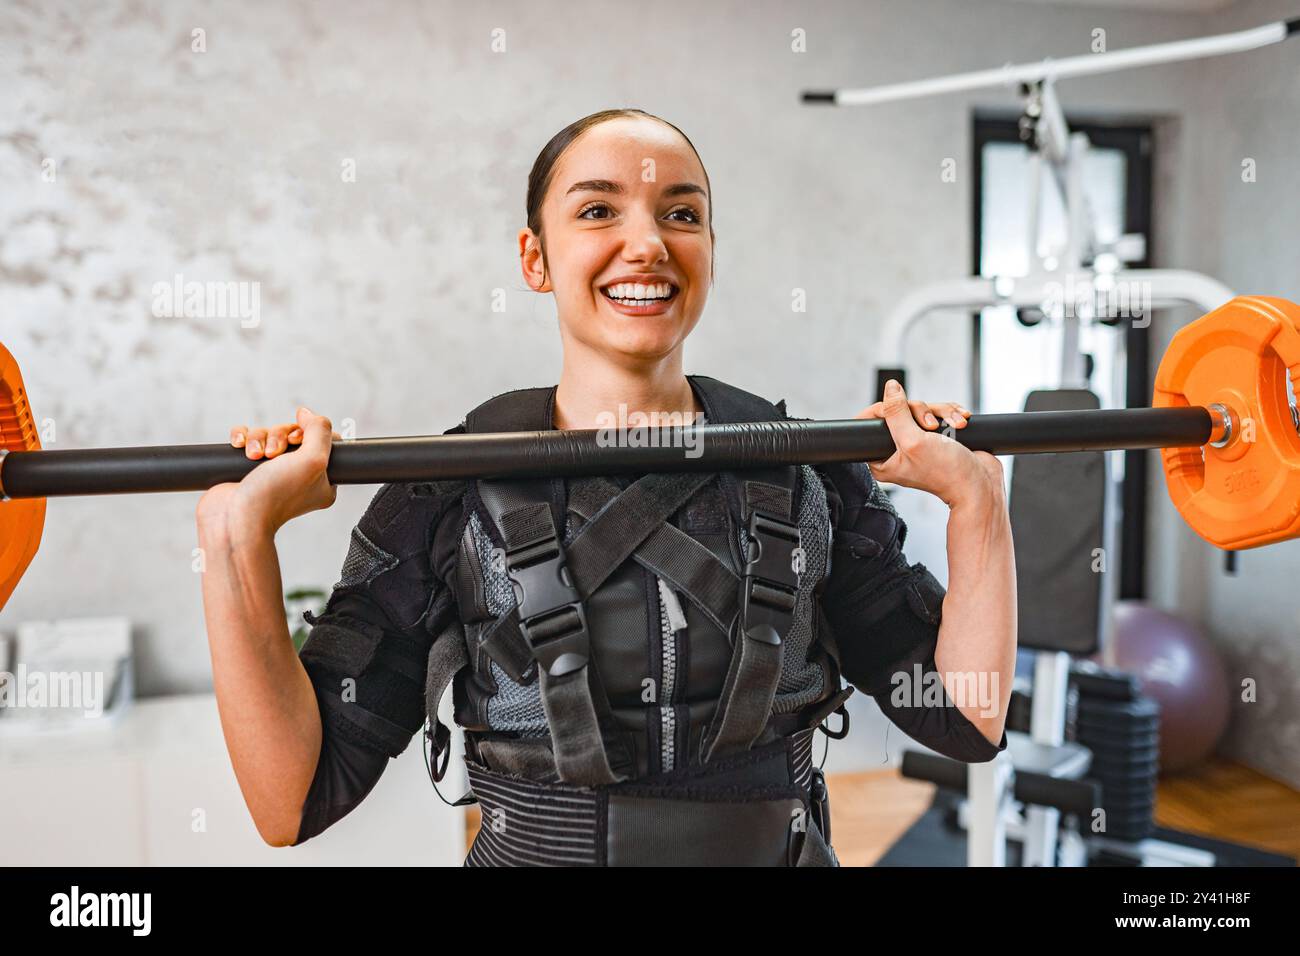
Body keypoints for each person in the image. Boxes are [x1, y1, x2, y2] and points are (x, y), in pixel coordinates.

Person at [195, 108, 1016, 867]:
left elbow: (965, 718)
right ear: (534, 258)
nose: (649, 244)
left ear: (709, 251)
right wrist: (237, 543)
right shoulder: (444, 493)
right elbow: (291, 798)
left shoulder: (809, 476)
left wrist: (977, 507)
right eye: (597, 211)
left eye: (681, 214)